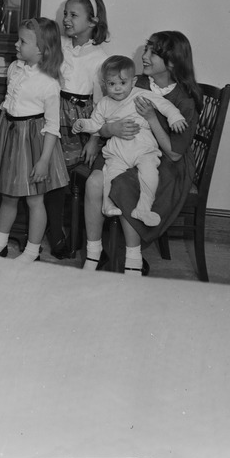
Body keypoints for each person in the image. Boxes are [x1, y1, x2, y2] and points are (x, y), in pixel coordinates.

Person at [81, 31, 202, 275]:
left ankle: (132, 259)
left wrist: (151, 118)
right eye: (146, 49)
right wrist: (102, 133)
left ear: (171, 62)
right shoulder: (136, 83)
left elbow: (175, 154)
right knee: (94, 182)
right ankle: (94, 253)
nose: (144, 56)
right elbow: (106, 111)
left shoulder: (185, 100)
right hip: (122, 149)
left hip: (166, 161)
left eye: (152, 53)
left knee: (125, 184)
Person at [0, 18, 69, 262]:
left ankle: (31, 251)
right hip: (12, 136)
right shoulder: (14, 68)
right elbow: (8, 105)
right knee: (8, 195)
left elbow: (52, 127)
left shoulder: (49, 83)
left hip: (34, 142)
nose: (16, 44)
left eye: (22, 41)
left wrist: (44, 161)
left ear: (42, 49)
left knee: (35, 199)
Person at [73, 55, 187, 226]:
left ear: (133, 82)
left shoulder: (142, 95)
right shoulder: (104, 103)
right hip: (118, 149)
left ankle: (143, 208)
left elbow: (164, 105)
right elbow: (96, 124)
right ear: (104, 84)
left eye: (123, 83)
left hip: (143, 147)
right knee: (111, 174)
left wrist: (175, 118)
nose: (117, 88)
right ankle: (108, 204)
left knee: (149, 174)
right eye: (112, 84)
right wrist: (83, 124)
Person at [43, 0, 110, 259]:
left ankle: (76, 232)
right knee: (52, 173)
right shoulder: (60, 45)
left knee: (70, 176)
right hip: (54, 115)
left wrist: (94, 139)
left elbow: (102, 104)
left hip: (81, 123)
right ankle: (55, 232)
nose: (66, 19)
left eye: (73, 15)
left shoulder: (100, 58)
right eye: (65, 14)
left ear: (92, 21)